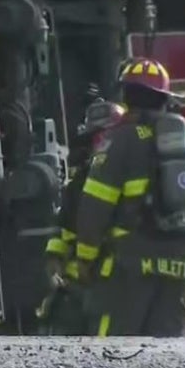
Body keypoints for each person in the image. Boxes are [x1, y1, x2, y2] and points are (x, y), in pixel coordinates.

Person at [73, 57, 185, 337]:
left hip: (128, 262)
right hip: (178, 265)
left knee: (113, 350)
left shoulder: (120, 140)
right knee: (163, 353)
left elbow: (95, 206)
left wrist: (85, 258)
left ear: (126, 96)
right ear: (166, 98)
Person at [36, 98, 126, 335]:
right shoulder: (82, 178)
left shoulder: (123, 175)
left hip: (111, 279)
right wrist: (54, 255)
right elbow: (66, 222)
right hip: (82, 283)